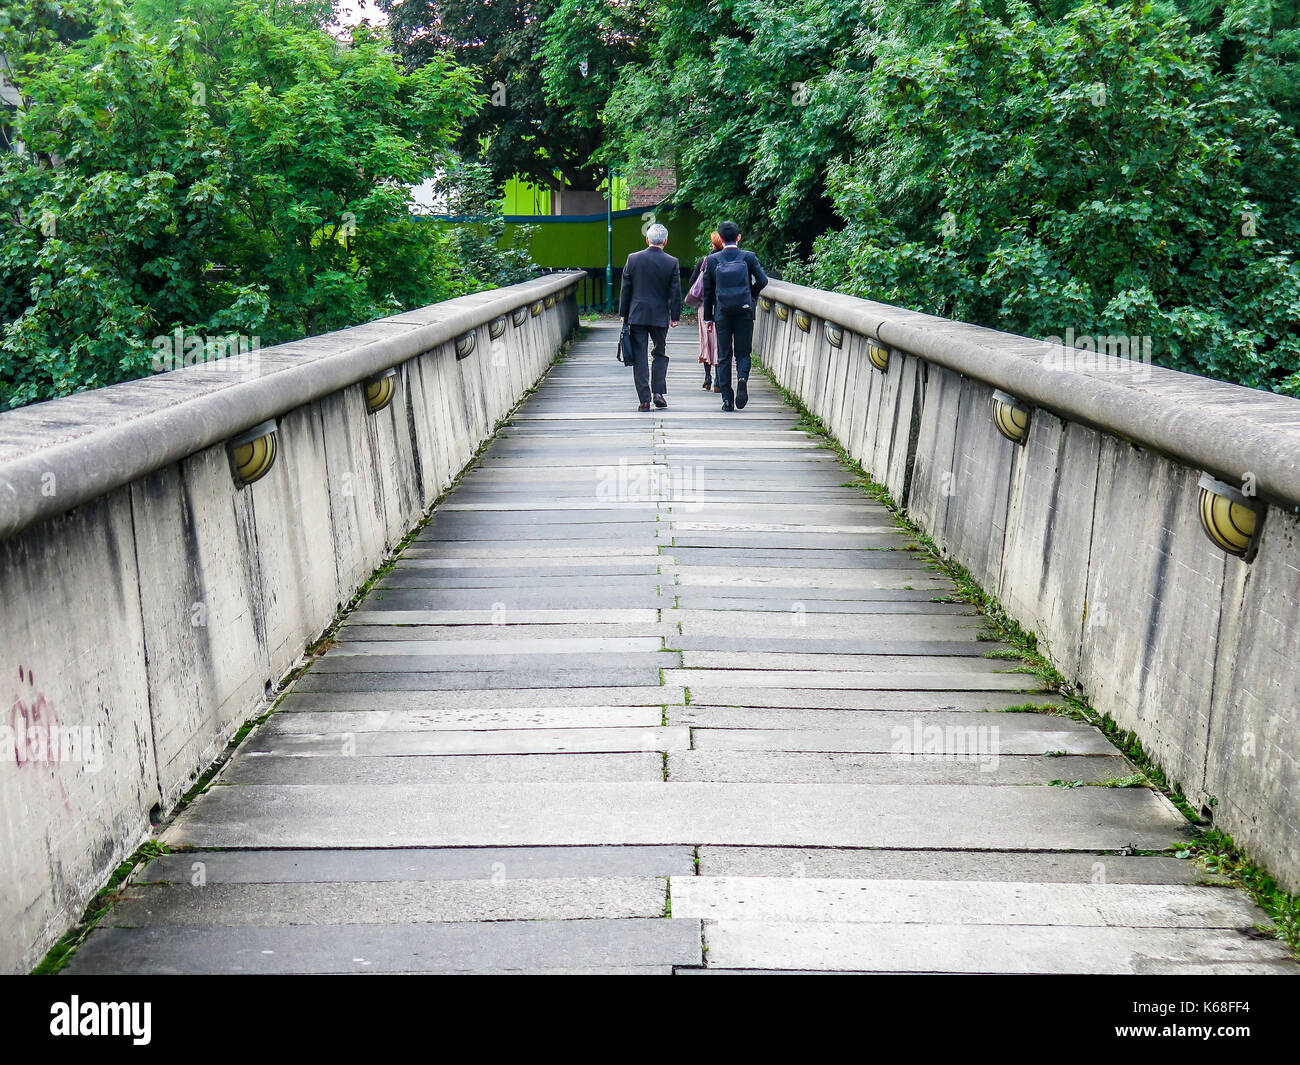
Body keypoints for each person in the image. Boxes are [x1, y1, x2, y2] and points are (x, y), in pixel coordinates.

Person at [701, 220, 768, 412]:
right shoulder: (748, 257)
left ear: (720, 239)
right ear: (739, 237)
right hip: (744, 311)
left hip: (722, 313)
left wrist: (708, 318)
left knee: (724, 355)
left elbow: (708, 291)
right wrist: (751, 295)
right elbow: (763, 280)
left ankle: (727, 399)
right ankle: (742, 381)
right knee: (743, 352)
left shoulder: (713, 260)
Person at [618, 222, 681, 411]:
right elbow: (675, 292)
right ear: (666, 241)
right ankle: (658, 393)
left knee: (640, 356)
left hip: (637, 314)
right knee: (659, 352)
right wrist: (675, 316)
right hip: (660, 315)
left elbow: (625, 289)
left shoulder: (633, 259)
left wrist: (623, 313)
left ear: (647, 240)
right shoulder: (671, 262)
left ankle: (644, 399)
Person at [686, 232, 724, 392]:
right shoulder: (730, 260)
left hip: (705, 306)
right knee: (721, 341)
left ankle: (708, 378)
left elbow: (692, 282)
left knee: (707, 340)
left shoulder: (705, 261)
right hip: (723, 306)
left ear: (713, 245)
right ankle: (718, 380)